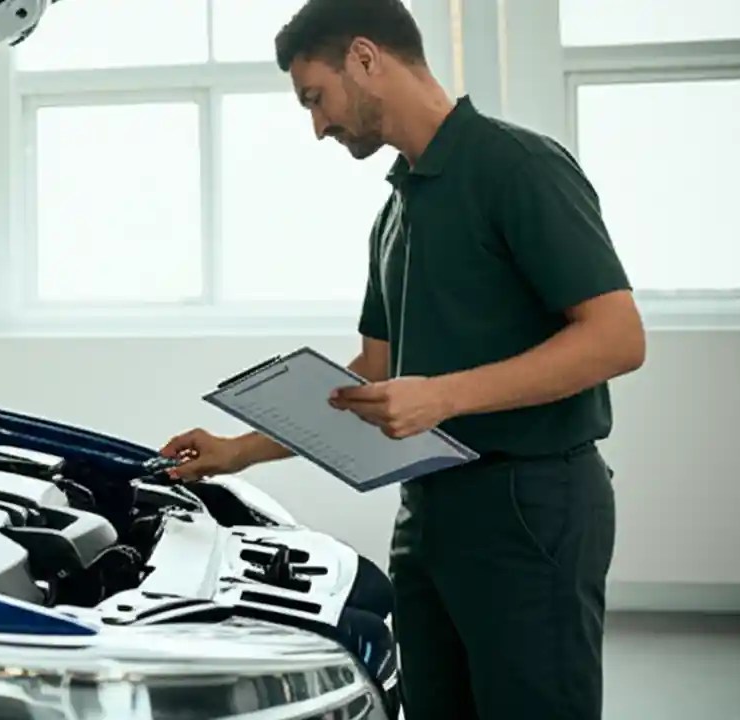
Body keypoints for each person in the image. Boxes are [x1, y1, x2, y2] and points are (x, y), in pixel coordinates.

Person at [159, 0, 646, 718]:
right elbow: (376, 376)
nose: (317, 125)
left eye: (315, 98)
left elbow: (617, 338)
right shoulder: (395, 213)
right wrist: (240, 451)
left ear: (365, 57)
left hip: (532, 502)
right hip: (430, 512)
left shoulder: (518, 166)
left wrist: (445, 397)